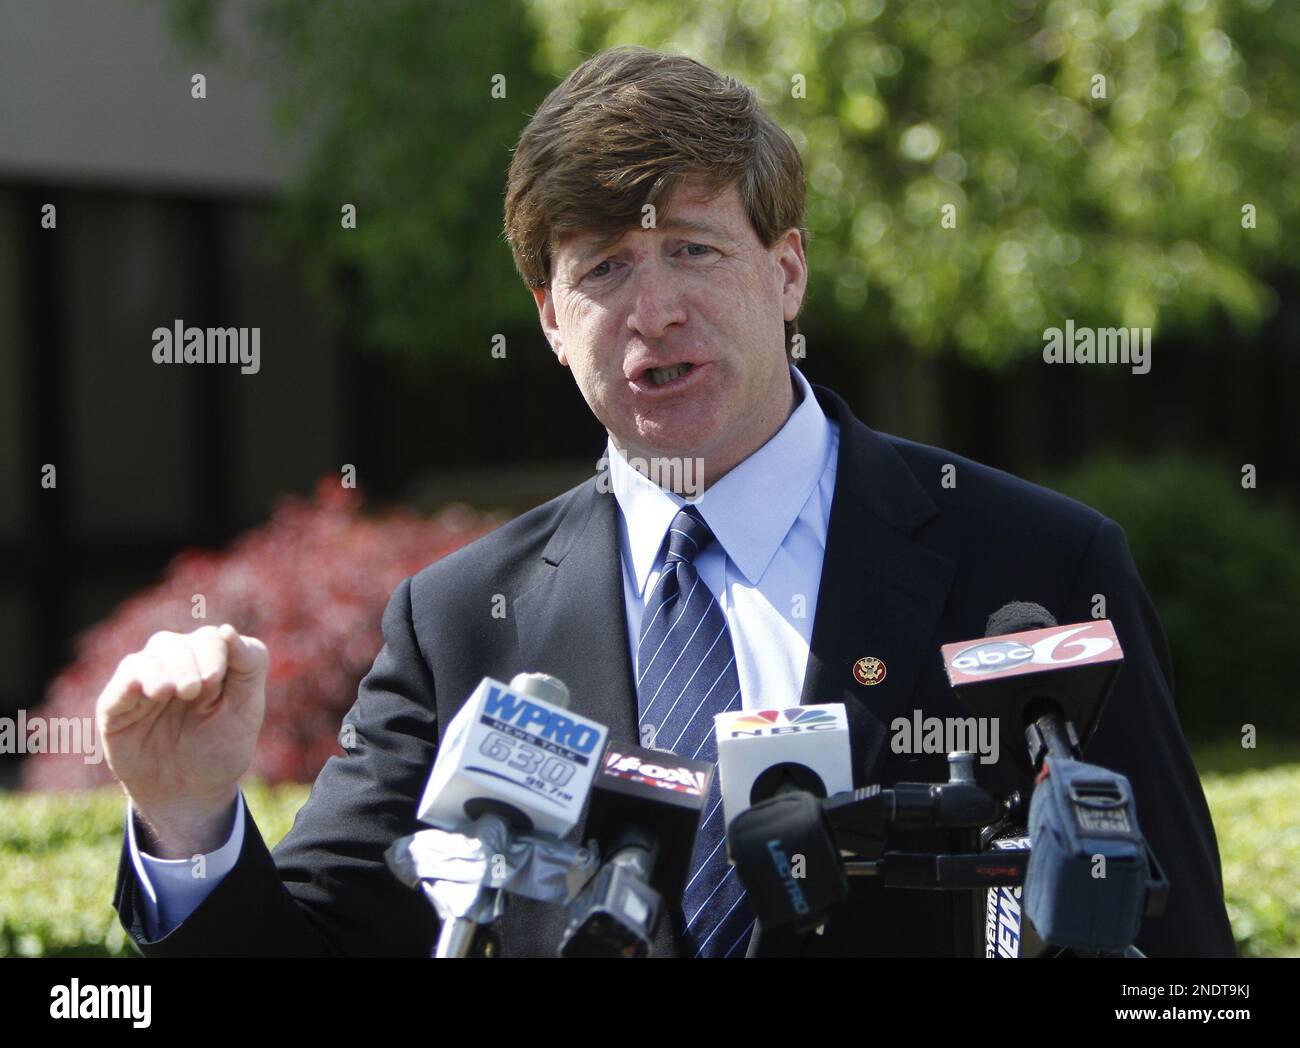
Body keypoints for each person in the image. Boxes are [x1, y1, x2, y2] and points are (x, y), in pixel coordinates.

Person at [102, 45, 1236, 958]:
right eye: (602, 268)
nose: (653, 310)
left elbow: (1177, 953)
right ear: (549, 317)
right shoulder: (458, 624)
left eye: (692, 249)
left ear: (785, 273)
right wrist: (189, 821)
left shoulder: (1035, 567)